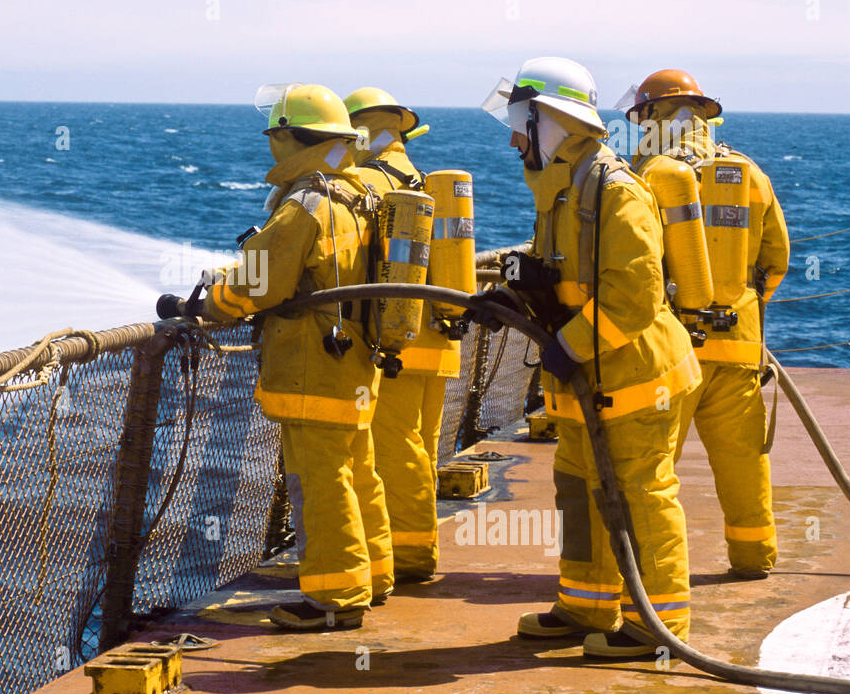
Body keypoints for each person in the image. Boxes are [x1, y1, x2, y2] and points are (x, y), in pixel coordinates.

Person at [475, 57, 701, 658]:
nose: (516, 138)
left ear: (550, 119)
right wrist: (510, 291)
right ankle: (587, 605)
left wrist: (567, 345)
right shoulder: (564, 191)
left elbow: (632, 297)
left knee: (639, 496)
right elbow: (565, 272)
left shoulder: (614, 192)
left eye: (522, 123)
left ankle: (659, 627)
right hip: (588, 384)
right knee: (579, 490)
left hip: (635, 380)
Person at [157, 83, 392, 629]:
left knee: (320, 483)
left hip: (312, 367)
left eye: (275, 134)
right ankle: (373, 576)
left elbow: (259, 284)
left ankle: (335, 599)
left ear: (287, 138)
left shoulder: (305, 205)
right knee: (357, 472)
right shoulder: (357, 198)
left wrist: (210, 301)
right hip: (354, 365)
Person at [621, 69, 790, 578]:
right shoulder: (750, 172)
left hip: (671, 351)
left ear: (651, 115)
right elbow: (776, 260)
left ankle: (644, 577)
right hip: (738, 347)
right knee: (743, 461)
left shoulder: (650, 175)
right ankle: (753, 556)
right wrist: (740, 313)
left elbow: (637, 263)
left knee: (650, 468)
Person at [344, 87, 459, 582]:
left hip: (396, 339)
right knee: (420, 449)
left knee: (394, 449)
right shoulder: (426, 181)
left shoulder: (360, 182)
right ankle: (410, 545)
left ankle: (409, 557)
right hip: (441, 337)